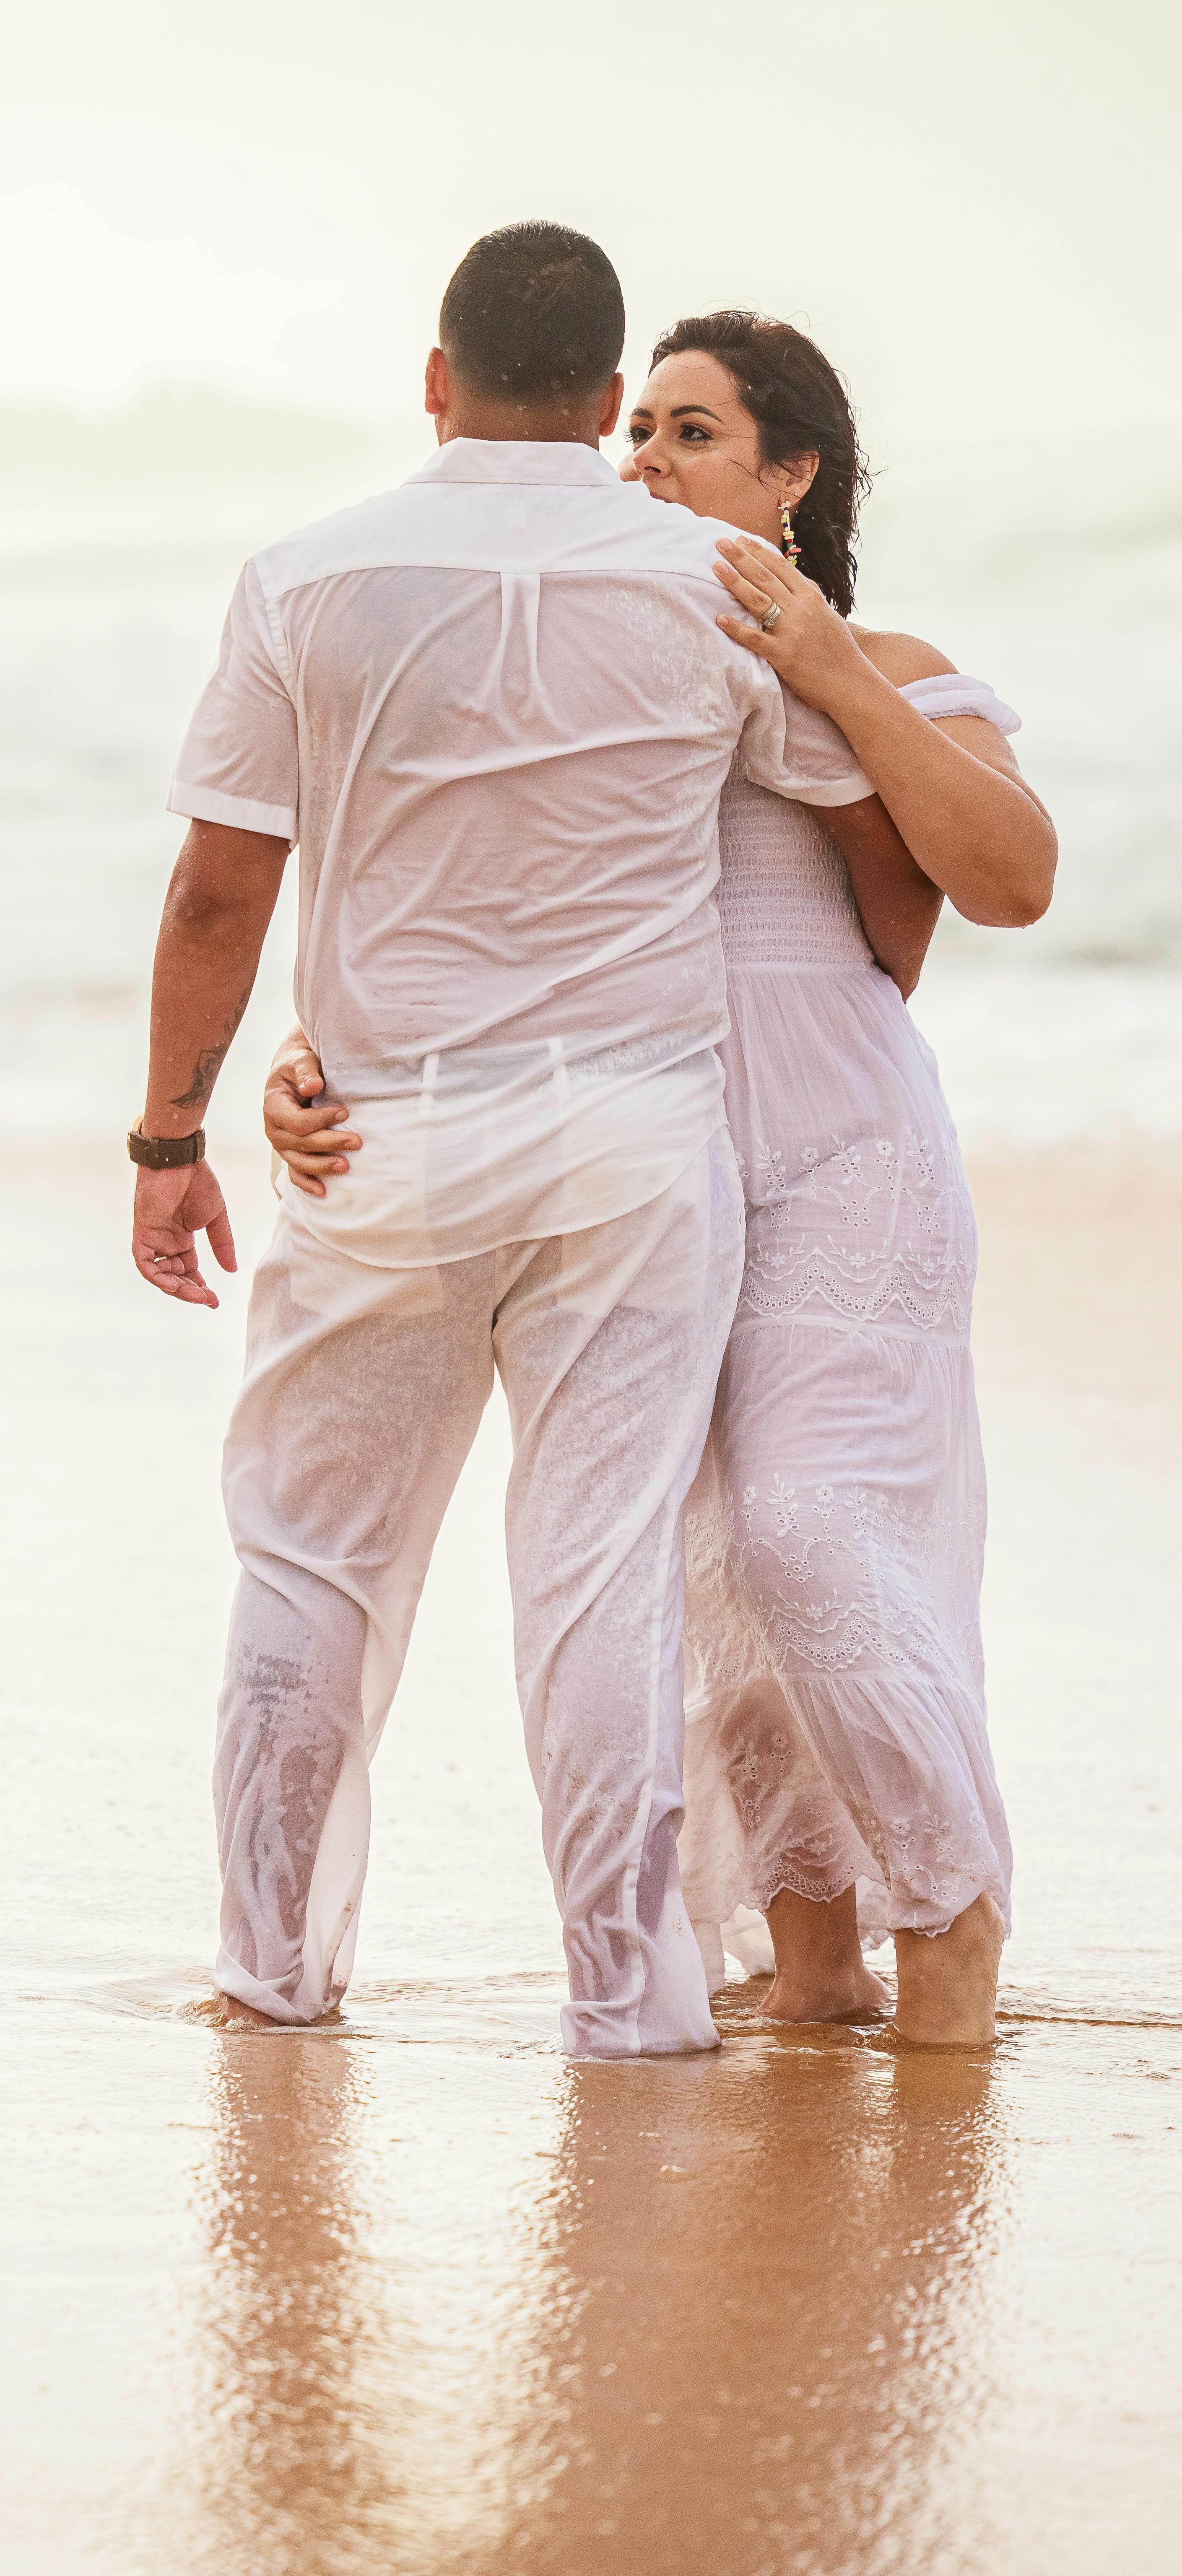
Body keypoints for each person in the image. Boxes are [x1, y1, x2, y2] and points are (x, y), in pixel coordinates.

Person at [130, 223, 893, 2059]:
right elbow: (863, 834)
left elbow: (222, 889)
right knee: (600, 1572)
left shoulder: (305, 579)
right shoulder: (715, 582)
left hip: (376, 1140)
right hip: (631, 1143)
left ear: (434, 378)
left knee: (311, 1561)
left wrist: (171, 1135)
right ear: (613, 397)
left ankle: (273, 1968)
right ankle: (626, 1997)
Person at [265, 311, 1057, 2045]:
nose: (649, 465)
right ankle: (817, 1958)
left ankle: (954, 1912)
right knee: (702, 1573)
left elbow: (1006, 884)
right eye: (643, 434)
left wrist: (827, 666)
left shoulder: (888, 662)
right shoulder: (586, 660)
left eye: (697, 436)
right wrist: (316, 1055)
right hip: (637, 1152)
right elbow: (451, 904)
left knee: (807, 1527)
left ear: (794, 475)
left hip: (845, 1149)